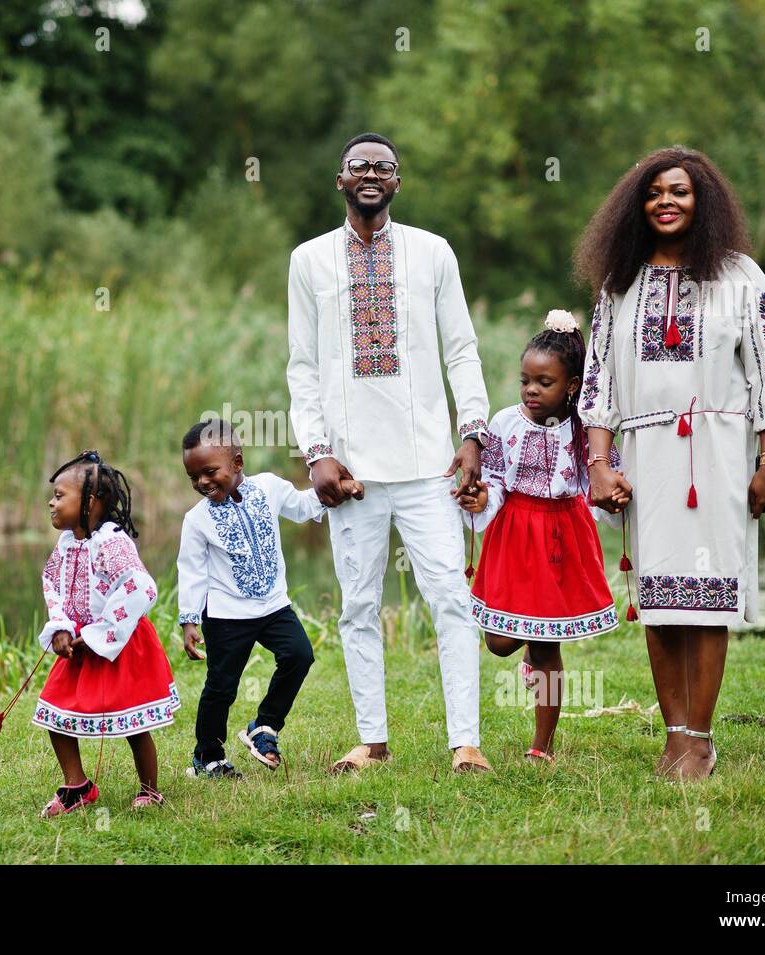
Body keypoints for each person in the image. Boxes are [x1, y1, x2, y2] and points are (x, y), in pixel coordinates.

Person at [575, 146, 765, 781]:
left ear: (703, 201)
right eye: (653, 193)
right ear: (636, 207)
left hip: (722, 457)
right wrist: (598, 463)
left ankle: (700, 739)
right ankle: (674, 736)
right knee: (661, 602)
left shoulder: (742, 277)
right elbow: (597, 386)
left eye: (678, 191)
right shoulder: (621, 284)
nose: (665, 202)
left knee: (707, 602)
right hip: (646, 459)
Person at [286, 132, 493, 774]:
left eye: (384, 166)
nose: (371, 174)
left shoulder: (432, 253)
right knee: (357, 606)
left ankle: (466, 744)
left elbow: (461, 349)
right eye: (359, 166)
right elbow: (302, 367)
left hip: (430, 464)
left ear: (397, 182)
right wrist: (317, 452)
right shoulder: (310, 260)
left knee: (452, 601)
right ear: (340, 180)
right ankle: (372, 740)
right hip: (352, 475)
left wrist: (472, 434)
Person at [458, 310, 624, 764]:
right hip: (513, 536)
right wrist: (479, 501)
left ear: (571, 386)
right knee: (499, 641)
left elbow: (600, 484)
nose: (531, 390)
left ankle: (542, 745)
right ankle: (531, 643)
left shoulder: (586, 432)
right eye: (525, 380)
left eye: (544, 382)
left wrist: (614, 499)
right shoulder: (505, 423)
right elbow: (493, 481)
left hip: (560, 538)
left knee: (546, 640)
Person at [176, 420, 349, 778]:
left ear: (237, 463)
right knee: (221, 687)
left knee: (300, 655)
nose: (203, 483)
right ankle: (207, 756)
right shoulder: (196, 521)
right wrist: (189, 620)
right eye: (194, 477)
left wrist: (334, 490)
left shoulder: (268, 487)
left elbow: (303, 507)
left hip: (273, 606)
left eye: (210, 472)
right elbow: (191, 570)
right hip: (225, 616)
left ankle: (264, 726)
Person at [31, 450, 179, 815]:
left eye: (60, 495)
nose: (51, 502)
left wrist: (101, 634)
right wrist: (61, 627)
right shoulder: (65, 545)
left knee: (133, 722)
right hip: (78, 645)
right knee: (56, 712)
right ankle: (77, 785)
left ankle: (149, 790)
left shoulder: (112, 543)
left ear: (92, 501)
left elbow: (141, 588)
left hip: (118, 641)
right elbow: (53, 584)